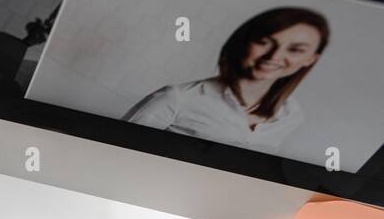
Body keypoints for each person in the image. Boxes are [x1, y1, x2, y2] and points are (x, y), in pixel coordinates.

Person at [124, 8, 329, 153]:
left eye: (295, 49)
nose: (274, 56)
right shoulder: (176, 98)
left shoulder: (291, 115)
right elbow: (119, 150)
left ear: (310, 59)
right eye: (264, 42)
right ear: (244, 42)